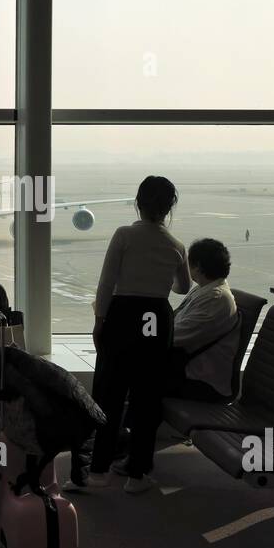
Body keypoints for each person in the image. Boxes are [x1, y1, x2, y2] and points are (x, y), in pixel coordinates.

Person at [78, 176, 189, 495]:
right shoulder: (176, 245)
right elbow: (183, 288)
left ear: (138, 203)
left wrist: (100, 320)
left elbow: (106, 280)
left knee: (108, 392)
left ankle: (97, 470)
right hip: (155, 316)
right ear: (169, 209)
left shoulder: (124, 235)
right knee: (147, 396)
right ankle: (137, 474)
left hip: (123, 314)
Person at [168, 238, 240, 403]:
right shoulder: (205, 290)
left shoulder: (215, 298)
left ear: (198, 267)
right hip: (190, 370)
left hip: (202, 382)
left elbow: (174, 337)